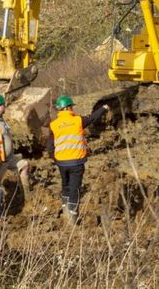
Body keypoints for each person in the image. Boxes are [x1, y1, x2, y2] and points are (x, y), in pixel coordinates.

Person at [45, 95, 109, 224]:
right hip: (76, 162)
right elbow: (93, 118)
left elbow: (50, 147)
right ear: (68, 107)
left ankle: (65, 209)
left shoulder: (53, 125)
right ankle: (72, 218)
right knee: (75, 188)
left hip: (62, 162)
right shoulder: (78, 121)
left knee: (65, 185)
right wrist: (103, 108)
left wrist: (56, 158)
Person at [0, 94, 31, 196]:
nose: (5, 107)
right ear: (0, 106)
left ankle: (25, 194)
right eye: (4, 105)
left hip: (8, 159)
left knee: (24, 165)